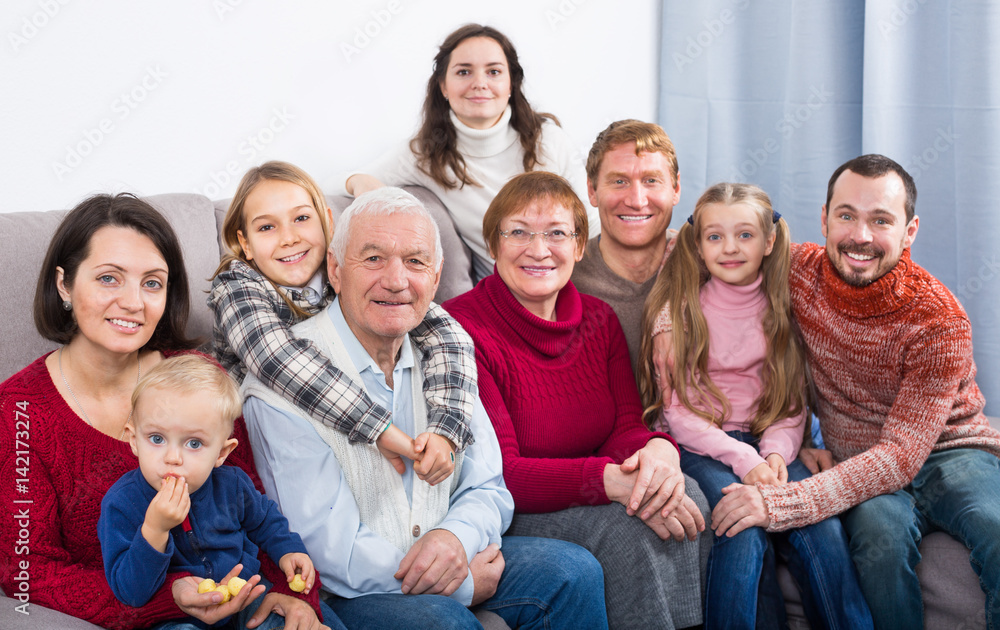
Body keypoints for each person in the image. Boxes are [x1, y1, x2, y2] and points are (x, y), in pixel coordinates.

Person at [243, 186, 608, 630]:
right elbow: (329, 548)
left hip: (449, 550)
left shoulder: (446, 357)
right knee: (444, 621)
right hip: (349, 590)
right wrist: (460, 585)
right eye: (374, 258)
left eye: (415, 262)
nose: (397, 281)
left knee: (573, 573)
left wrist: (454, 538)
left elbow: (488, 485)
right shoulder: (284, 381)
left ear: (435, 278)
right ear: (335, 270)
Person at [0, 194, 335, 629]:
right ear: (64, 284)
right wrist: (168, 598)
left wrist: (292, 595)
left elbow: (252, 505)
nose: (133, 302)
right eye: (108, 278)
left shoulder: (201, 379)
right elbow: (29, 571)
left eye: (152, 283)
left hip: (251, 600)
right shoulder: (18, 413)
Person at [695, 155, 1000, 629]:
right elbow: (712, 243)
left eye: (880, 220)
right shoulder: (796, 272)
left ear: (910, 231)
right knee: (881, 543)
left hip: (949, 450)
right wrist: (806, 439)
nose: (860, 235)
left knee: (995, 526)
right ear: (824, 219)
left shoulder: (938, 320)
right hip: (855, 455)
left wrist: (780, 504)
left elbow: (900, 457)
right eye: (846, 215)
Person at [443, 171, 709, 630]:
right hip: (511, 509)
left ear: (580, 246)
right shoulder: (461, 330)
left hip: (585, 490)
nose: (538, 249)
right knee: (626, 531)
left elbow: (623, 427)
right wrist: (610, 481)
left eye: (556, 233)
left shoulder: (599, 319)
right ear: (492, 245)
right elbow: (503, 474)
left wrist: (657, 450)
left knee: (689, 496)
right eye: (518, 232)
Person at [639, 183, 871, 629]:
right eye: (715, 236)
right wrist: (745, 461)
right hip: (703, 445)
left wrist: (776, 454)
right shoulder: (680, 313)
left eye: (745, 235)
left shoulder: (784, 308)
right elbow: (679, 414)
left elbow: (791, 402)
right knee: (740, 526)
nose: (730, 248)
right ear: (698, 245)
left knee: (823, 531)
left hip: (771, 443)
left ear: (768, 241)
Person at [210, 161, 476, 486]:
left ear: (327, 221)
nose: (289, 238)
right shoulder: (236, 286)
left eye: (301, 218)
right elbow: (275, 358)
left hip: (338, 419)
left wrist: (446, 431)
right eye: (267, 227)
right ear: (245, 243)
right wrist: (380, 429)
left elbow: (448, 336)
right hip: (257, 434)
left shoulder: (342, 271)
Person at [345, 24, 597, 282]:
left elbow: (592, 224)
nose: (479, 84)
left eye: (494, 72)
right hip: (498, 293)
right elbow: (331, 186)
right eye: (464, 72)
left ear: (511, 84)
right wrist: (359, 181)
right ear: (443, 85)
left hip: (566, 283)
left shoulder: (549, 140)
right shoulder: (425, 152)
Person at [99, 355, 317, 630]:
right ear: (134, 440)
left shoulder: (232, 484)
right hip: (177, 615)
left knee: (279, 622)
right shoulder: (121, 503)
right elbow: (130, 592)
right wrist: (155, 529)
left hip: (243, 592)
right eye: (157, 439)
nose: (173, 458)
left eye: (194, 443)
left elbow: (265, 521)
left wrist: (288, 550)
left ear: (222, 453)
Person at [570, 119, 682, 375]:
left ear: (675, 188)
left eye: (651, 180)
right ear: (592, 190)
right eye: (619, 182)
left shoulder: (708, 264)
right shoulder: (563, 277)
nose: (636, 201)